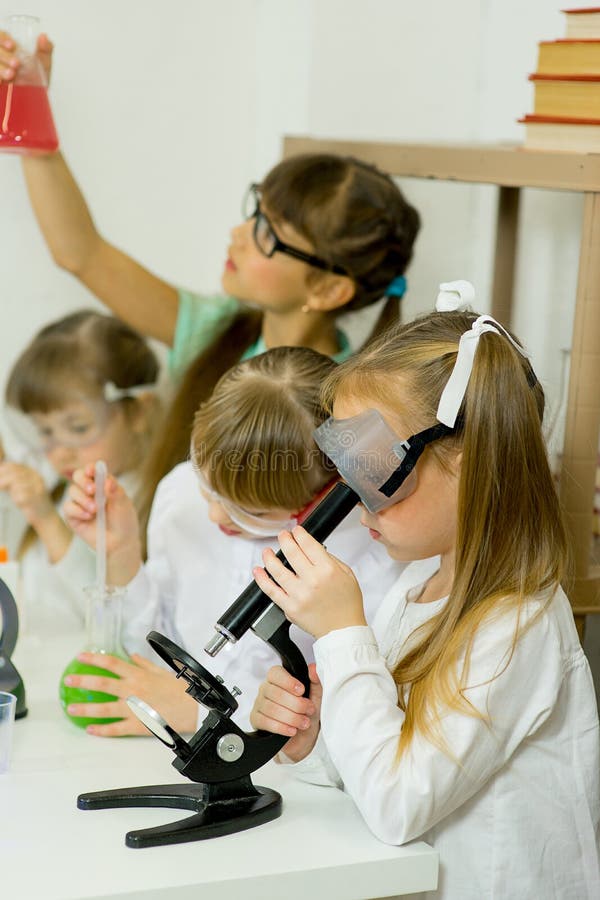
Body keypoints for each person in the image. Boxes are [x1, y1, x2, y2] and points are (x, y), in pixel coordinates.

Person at [249, 291, 600, 898]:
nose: (359, 505)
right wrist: (314, 744)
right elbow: (378, 762)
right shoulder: (417, 588)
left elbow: (398, 805)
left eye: (379, 473)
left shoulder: (518, 625)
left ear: (468, 462)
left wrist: (341, 634)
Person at [0, 32, 421, 532]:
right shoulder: (212, 330)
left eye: (269, 234)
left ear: (329, 289)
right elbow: (79, 252)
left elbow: (383, 535)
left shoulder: (356, 406)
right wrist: (31, 103)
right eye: (253, 212)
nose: (238, 235)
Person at [62, 347, 404, 735]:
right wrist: (121, 552)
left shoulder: (374, 549)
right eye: (208, 490)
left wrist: (205, 716)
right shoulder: (180, 494)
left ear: (326, 495)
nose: (215, 516)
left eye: (252, 513)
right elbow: (156, 650)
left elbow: (358, 714)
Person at [0, 310, 159, 631]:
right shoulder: (54, 483)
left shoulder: (152, 504)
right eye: (44, 431)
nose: (60, 451)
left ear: (139, 412)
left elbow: (107, 621)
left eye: (78, 427)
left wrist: (44, 517)